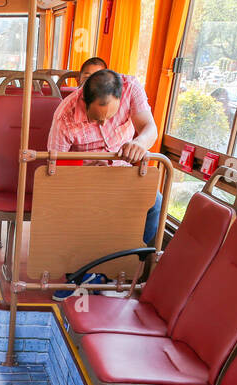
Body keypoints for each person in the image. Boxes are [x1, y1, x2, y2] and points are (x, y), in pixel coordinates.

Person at [46, 68, 162, 298]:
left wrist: (138, 143)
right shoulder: (65, 116)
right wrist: (85, 171)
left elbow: (150, 128)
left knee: (154, 203)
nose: (104, 123)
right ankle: (85, 272)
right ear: (83, 100)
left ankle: (134, 269)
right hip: (87, 180)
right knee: (81, 212)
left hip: (125, 173)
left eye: (111, 117)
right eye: (97, 118)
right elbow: (55, 171)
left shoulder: (131, 88)